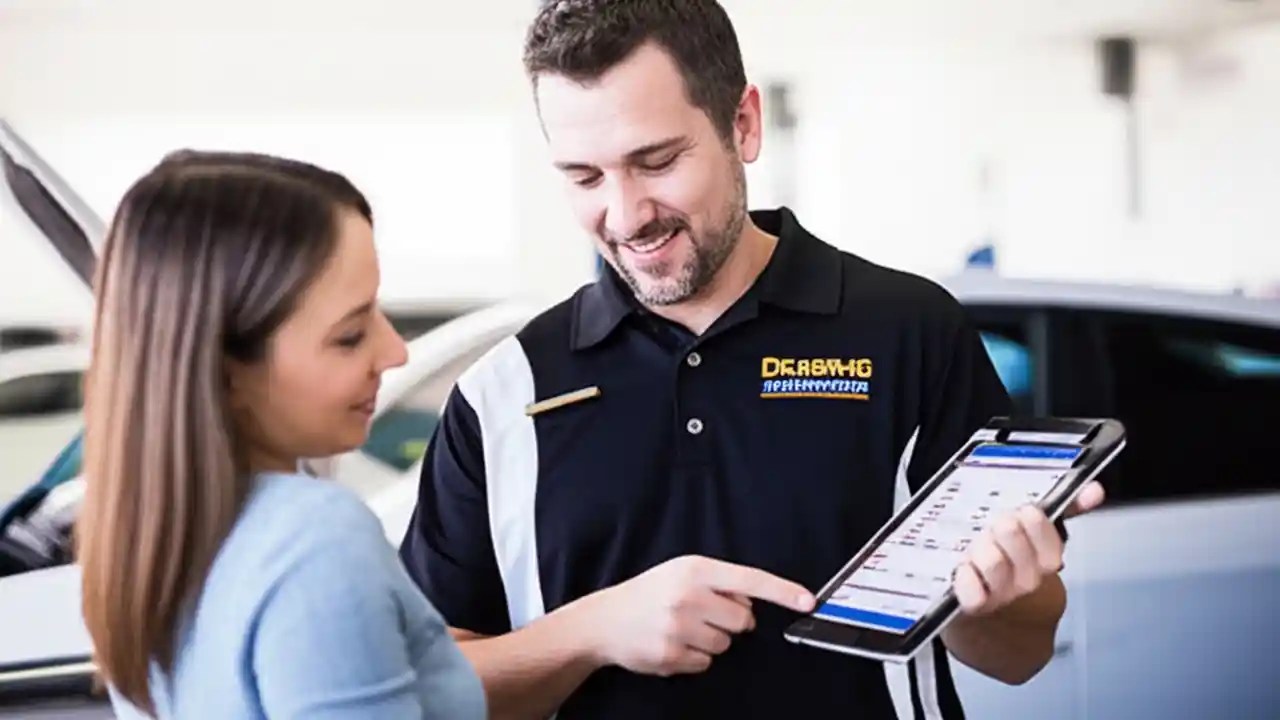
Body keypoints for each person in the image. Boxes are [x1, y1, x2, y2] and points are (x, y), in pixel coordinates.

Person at [398, 1, 1106, 717]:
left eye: (658, 161)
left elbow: (1020, 656)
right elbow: (426, 693)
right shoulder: (505, 391)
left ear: (744, 124)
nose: (626, 213)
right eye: (585, 178)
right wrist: (595, 630)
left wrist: (995, 599)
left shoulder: (909, 332)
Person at [76, 151, 486, 719]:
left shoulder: (144, 544)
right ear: (227, 373)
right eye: (349, 335)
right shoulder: (315, 540)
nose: (395, 352)